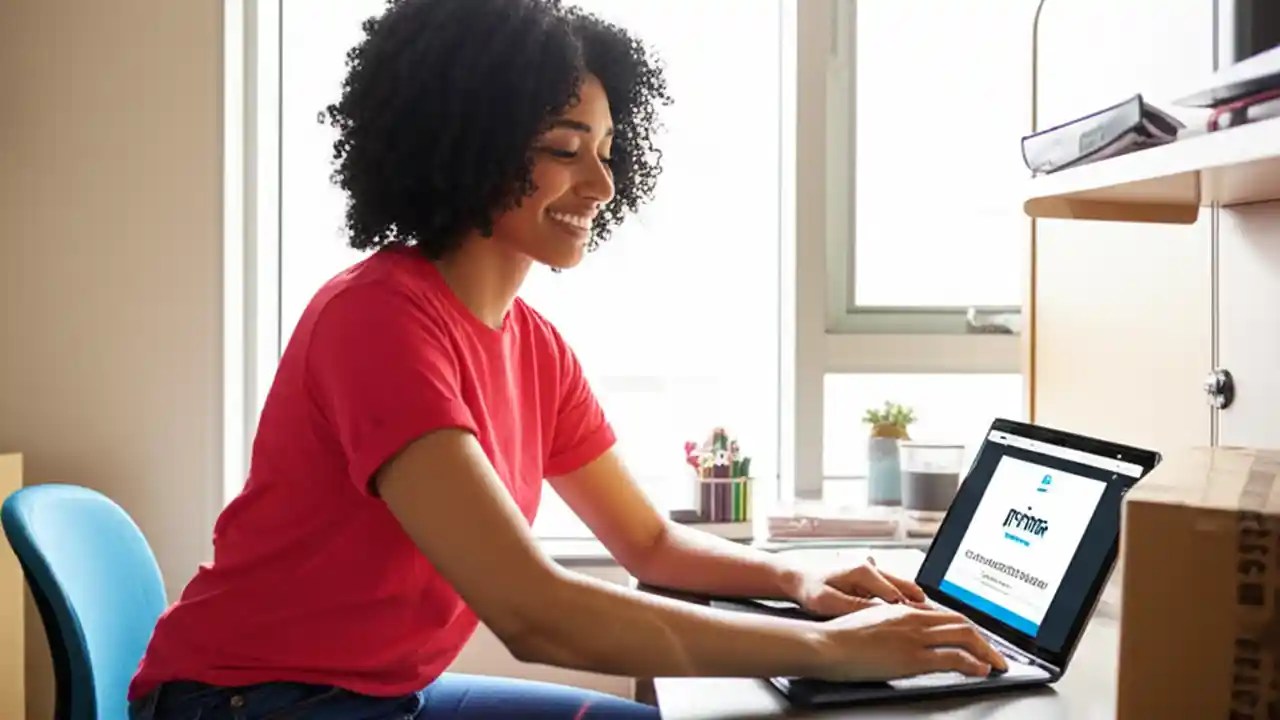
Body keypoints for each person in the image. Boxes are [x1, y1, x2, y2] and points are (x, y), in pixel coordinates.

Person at [126, 1, 1006, 718]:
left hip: (379, 694)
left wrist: (800, 580)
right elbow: (534, 614)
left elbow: (650, 542)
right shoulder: (377, 323)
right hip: (250, 700)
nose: (603, 184)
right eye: (563, 149)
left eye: (607, 149)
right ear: (465, 144)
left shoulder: (533, 346)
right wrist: (829, 653)